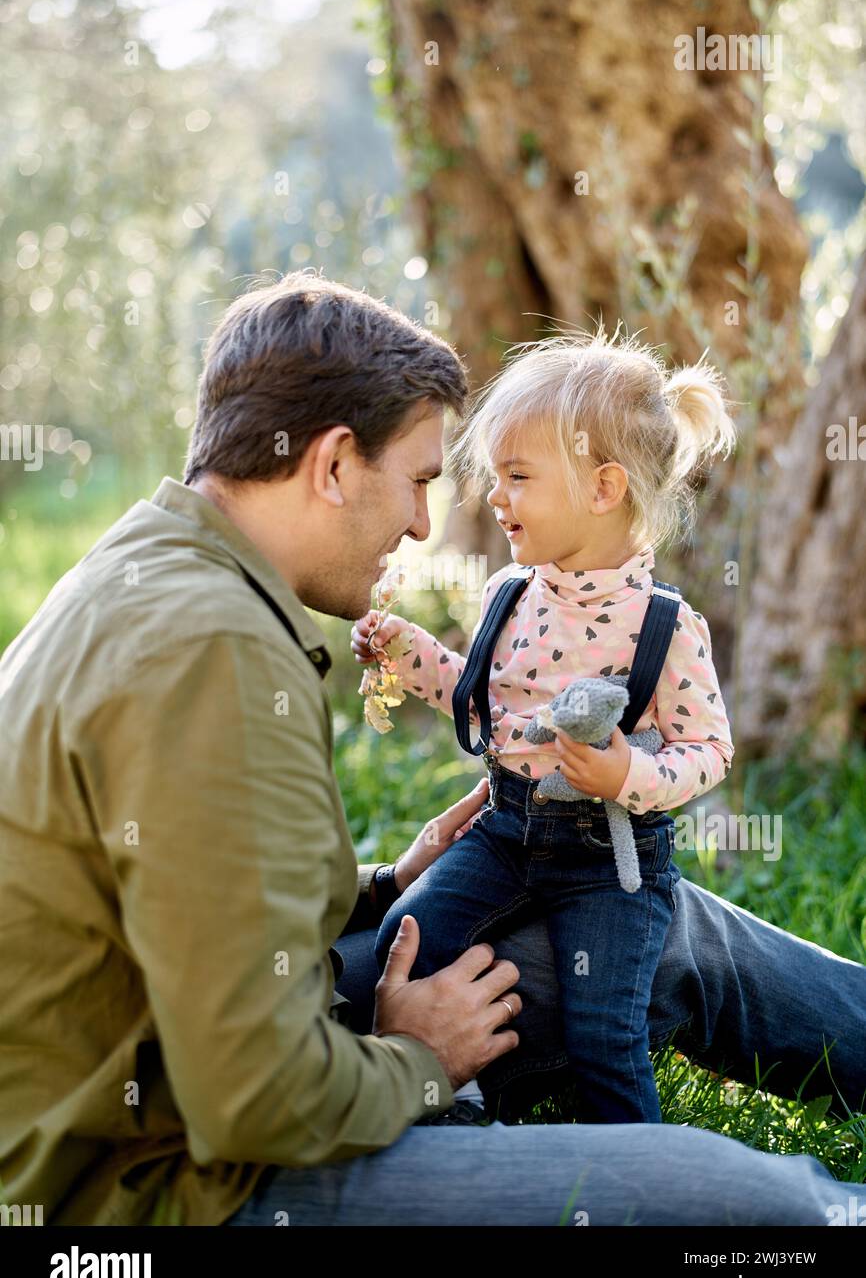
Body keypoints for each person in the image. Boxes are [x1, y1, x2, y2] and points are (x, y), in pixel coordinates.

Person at [1, 271, 864, 1228]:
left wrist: (381, 886)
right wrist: (415, 1061)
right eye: (416, 480)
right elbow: (248, 1097)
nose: (423, 522)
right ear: (331, 465)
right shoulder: (214, 658)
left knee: (658, 932)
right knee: (747, 1210)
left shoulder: (151, 558)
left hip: (231, 1045)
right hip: (174, 1184)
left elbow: (188, 904)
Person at [357, 329, 736, 1125]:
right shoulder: (512, 592)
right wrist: (403, 649)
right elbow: (477, 699)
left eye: (518, 477)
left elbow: (710, 750)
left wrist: (631, 776)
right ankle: (452, 1100)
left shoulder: (662, 625)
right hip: (505, 826)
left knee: (606, 1031)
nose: (496, 498)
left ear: (604, 488)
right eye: (496, 477)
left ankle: (632, 1182)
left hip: (608, 855)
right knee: (410, 935)